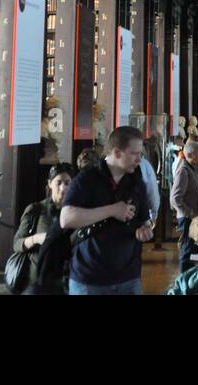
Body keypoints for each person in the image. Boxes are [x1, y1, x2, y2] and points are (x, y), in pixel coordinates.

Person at [59, 126, 156, 295]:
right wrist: (112, 210)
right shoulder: (87, 179)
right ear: (117, 153)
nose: (139, 159)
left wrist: (145, 230)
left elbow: (144, 220)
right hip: (90, 279)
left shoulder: (136, 180)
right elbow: (66, 218)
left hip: (129, 277)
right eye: (135, 154)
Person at [12, 162, 75, 294]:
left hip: (66, 281)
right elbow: (17, 244)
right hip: (36, 281)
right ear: (50, 183)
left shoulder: (76, 213)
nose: (63, 188)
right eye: (58, 182)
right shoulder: (36, 209)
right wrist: (35, 239)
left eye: (67, 183)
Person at [171, 139, 198, 274]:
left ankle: (194, 277)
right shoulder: (183, 171)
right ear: (190, 155)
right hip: (191, 220)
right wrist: (191, 213)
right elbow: (175, 199)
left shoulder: (197, 168)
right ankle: (184, 281)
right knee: (188, 250)